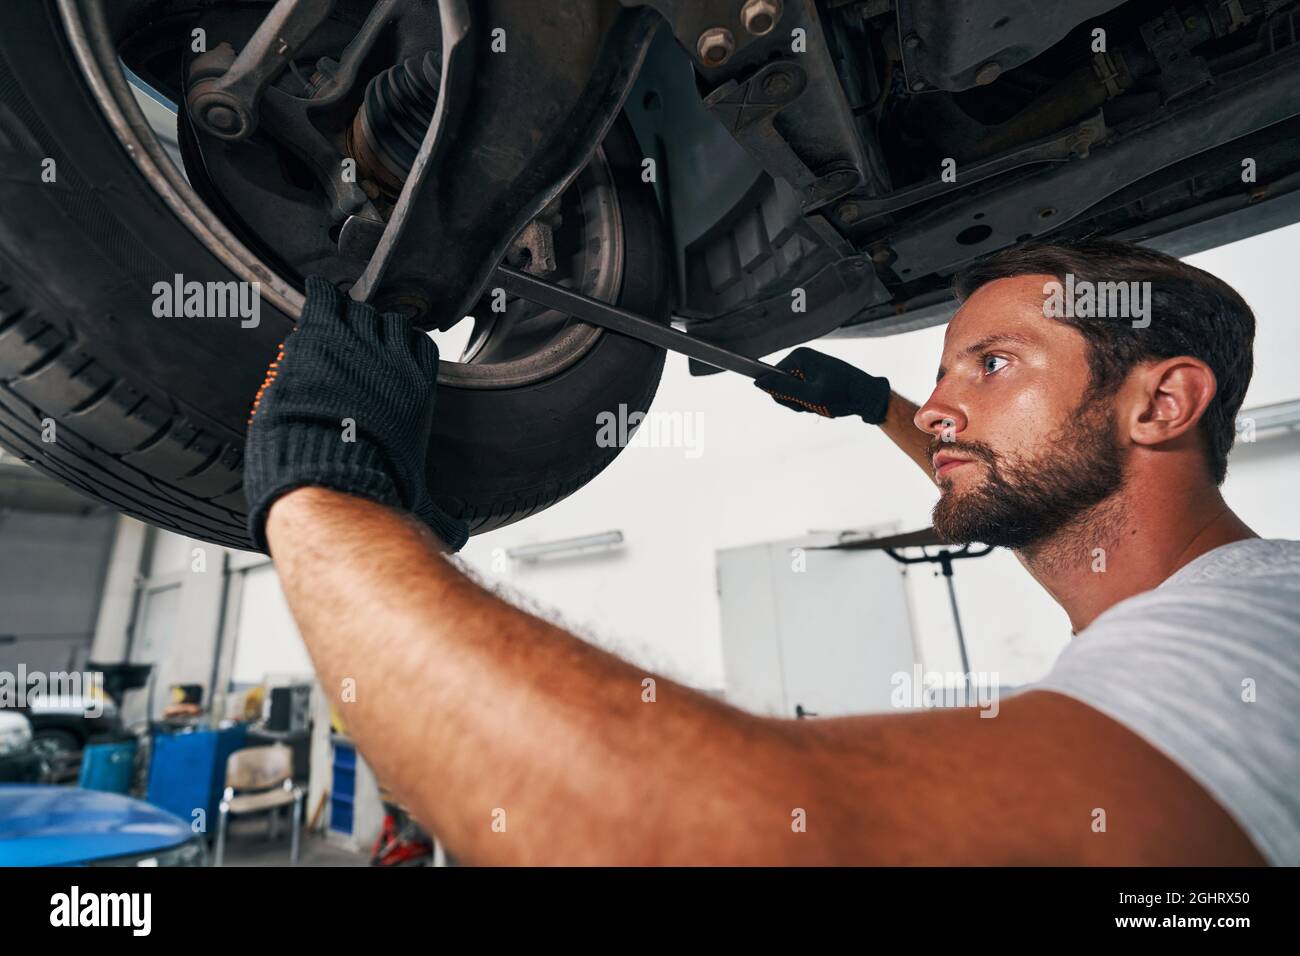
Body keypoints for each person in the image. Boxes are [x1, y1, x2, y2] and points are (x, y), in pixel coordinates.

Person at [243, 238, 1298, 865]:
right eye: (940, 374)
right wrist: (873, 405)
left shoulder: (1253, 636)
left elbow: (682, 835)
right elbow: (997, 456)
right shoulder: (1205, 603)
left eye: (990, 362)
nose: (941, 408)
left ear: (1160, 402)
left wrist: (322, 495)